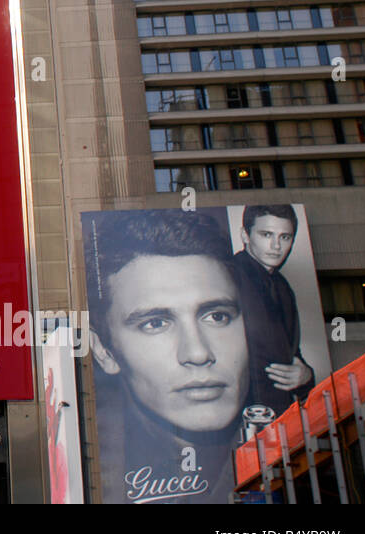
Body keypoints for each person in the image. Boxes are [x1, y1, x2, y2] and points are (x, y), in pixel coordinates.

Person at [86, 210, 249, 504]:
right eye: (155, 323)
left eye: (217, 316)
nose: (198, 353)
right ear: (104, 351)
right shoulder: (93, 473)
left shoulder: (298, 451)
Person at [231, 204, 314, 415]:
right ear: (245, 235)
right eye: (266, 234)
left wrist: (306, 375)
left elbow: (291, 353)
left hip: (281, 414)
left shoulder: (283, 287)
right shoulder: (226, 276)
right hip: (240, 417)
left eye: (285, 237)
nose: (276, 245)